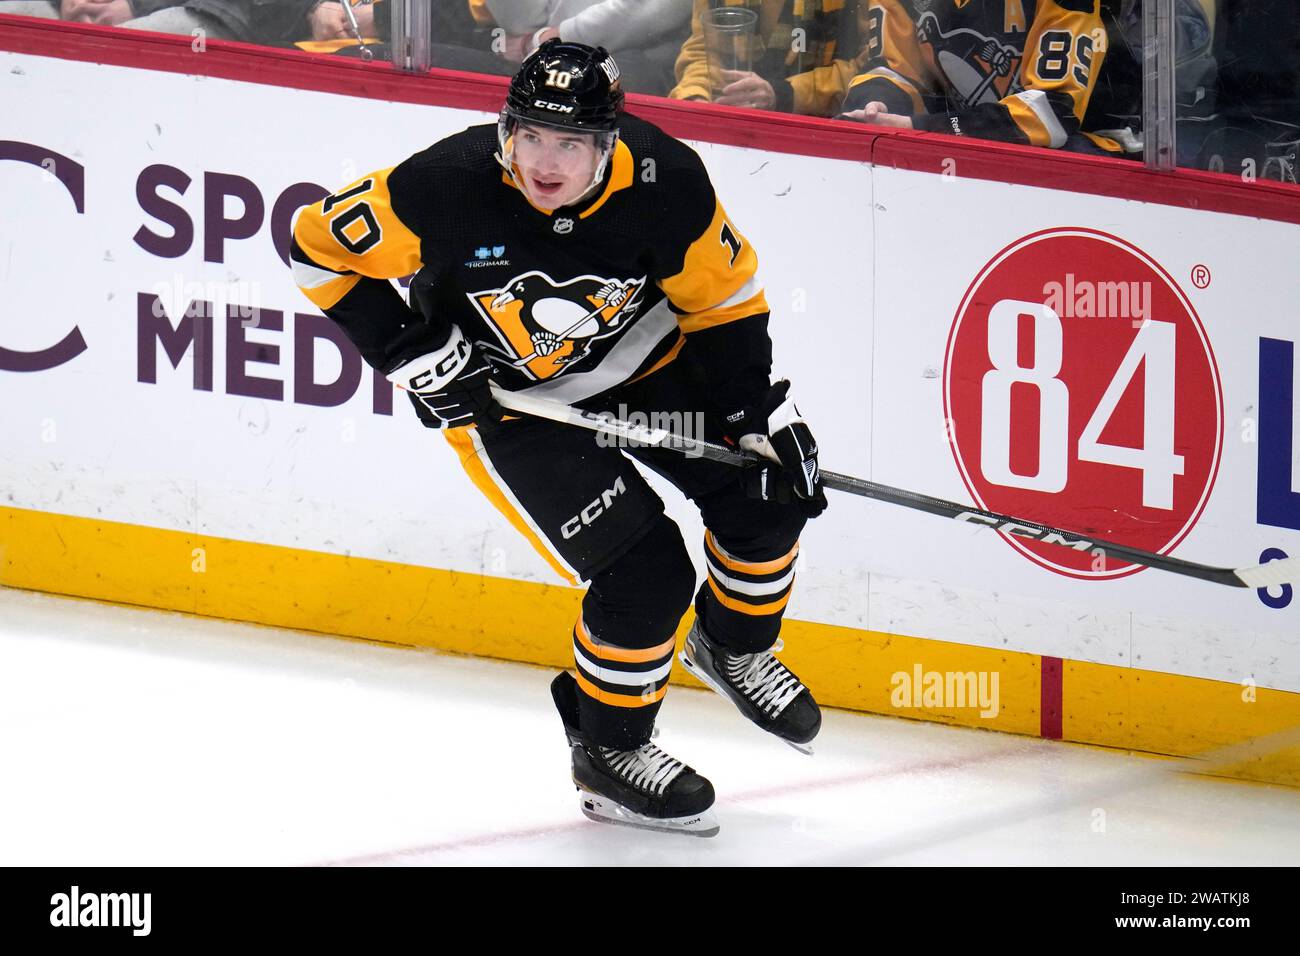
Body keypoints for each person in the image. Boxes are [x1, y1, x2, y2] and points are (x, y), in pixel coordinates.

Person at [289, 40, 828, 837]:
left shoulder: (664, 181)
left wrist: (752, 420)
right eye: (530, 135)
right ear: (505, 128)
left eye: (570, 143)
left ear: (609, 143)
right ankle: (610, 752)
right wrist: (411, 352)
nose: (544, 161)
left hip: (649, 369)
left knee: (767, 492)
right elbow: (313, 247)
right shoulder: (442, 186)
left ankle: (734, 646)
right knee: (646, 581)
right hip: (516, 412)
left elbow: (724, 304)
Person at [838, 0, 1126, 155]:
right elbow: (892, 68)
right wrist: (875, 106)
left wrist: (927, 127)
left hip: (1083, 158)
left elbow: (1054, 111)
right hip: (962, 144)